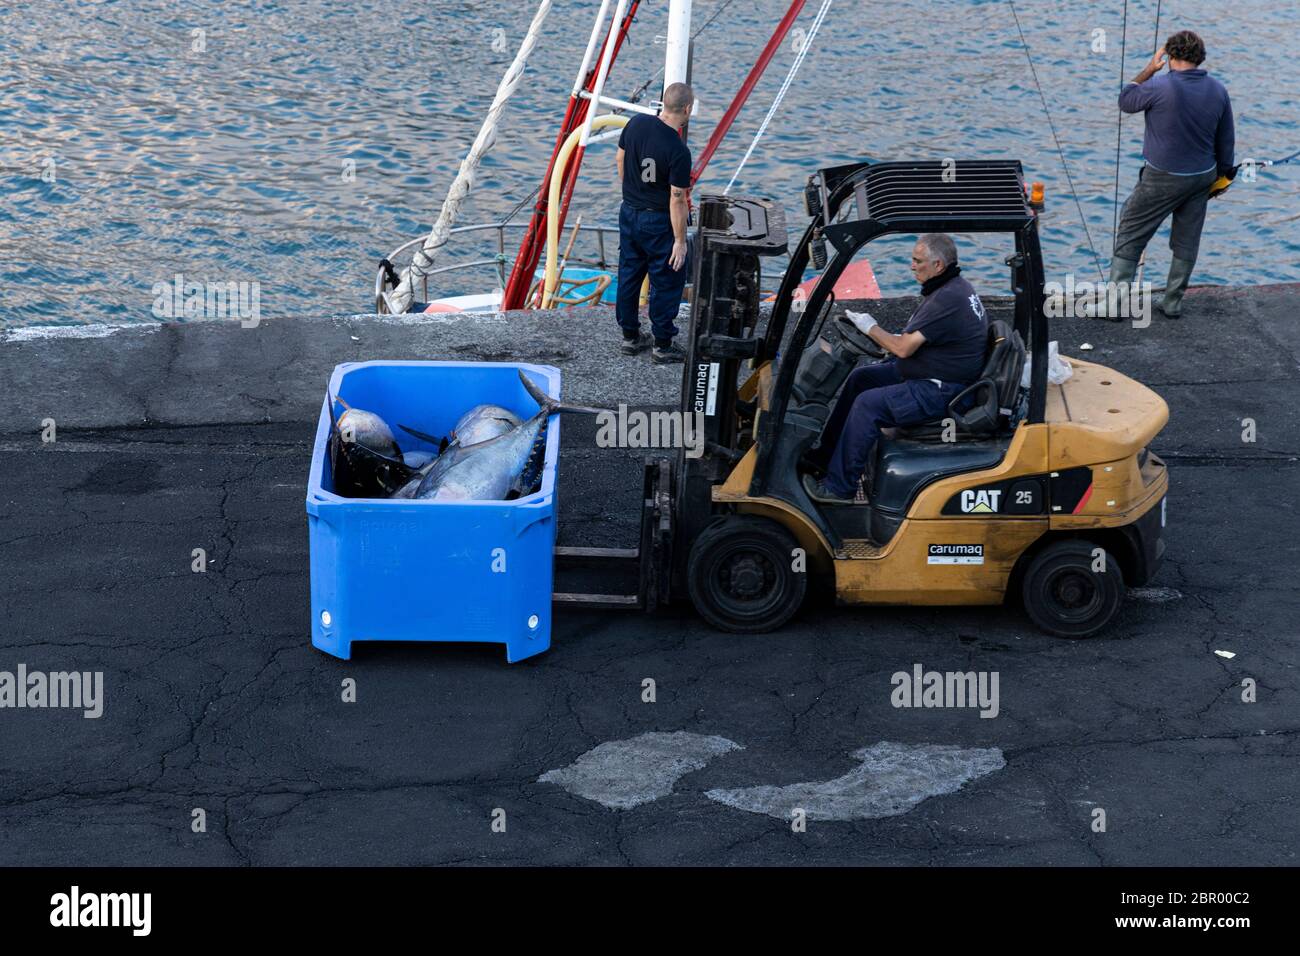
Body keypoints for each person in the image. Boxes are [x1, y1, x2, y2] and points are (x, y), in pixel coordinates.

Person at [804, 234, 987, 503]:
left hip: (943, 390)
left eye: (917, 261)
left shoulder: (947, 299)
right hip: (933, 373)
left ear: (938, 265)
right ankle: (825, 456)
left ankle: (839, 489)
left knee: (868, 404)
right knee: (861, 379)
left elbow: (903, 348)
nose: (911, 266)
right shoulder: (953, 288)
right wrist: (873, 332)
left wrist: (870, 327)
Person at [1103, 29, 1234, 319]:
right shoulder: (1218, 90)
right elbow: (1226, 141)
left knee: (1131, 232)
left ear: (1170, 56)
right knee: (1187, 238)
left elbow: (1126, 100)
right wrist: (1223, 177)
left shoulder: (1159, 86)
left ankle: (1113, 305)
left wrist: (1149, 68)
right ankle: (1172, 301)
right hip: (1202, 176)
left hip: (1163, 176)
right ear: (1199, 58)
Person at [614, 82, 694, 364]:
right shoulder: (678, 150)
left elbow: (620, 157)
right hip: (658, 220)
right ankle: (662, 344)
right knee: (668, 277)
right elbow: (676, 199)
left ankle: (630, 337)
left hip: (629, 211)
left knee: (629, 272)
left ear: (662, 103)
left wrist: (632, 190)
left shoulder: (635, 124)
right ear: (687, 109)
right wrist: (680, 241)